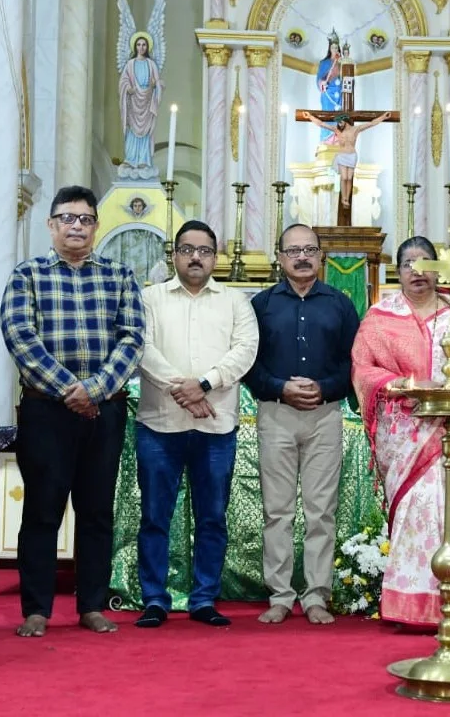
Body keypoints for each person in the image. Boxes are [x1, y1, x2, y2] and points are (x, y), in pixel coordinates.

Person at [1, 186, 144, 637]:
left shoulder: (120, 275)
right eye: (67, 218)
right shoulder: (27, 275)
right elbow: (20, 337)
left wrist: (97, 389)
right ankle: (37, 609)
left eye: (85, 219)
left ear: (96, 226)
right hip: (47, 411)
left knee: (97, 509)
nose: (76, 226)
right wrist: (70, 389)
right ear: (51, 224)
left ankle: (92, 605)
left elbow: (133, 337)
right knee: (43, 510)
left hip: (105, 412)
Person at [351, 236, 450, 626]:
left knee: (447, 506)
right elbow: (363, 369)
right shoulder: (380, 316)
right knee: (414, 510)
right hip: (402, 432)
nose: (417, 271)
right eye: (407, 264)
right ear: (397, 272)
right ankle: (410, 604)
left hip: (447, 429)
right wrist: (407, 385)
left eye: (425, 263)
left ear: (438, 270)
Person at [133, 220, 259, 629]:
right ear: (174, 255)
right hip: (159, 425)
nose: (195, 257)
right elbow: (142, 347)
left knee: (212, 517)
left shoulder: (235, 301)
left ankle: (204, 597)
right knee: (155, 516)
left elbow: (245, 350)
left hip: (216, 427)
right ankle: (155, 598)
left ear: (215, 257)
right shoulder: (150, 298)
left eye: (204, 250)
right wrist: (183, 390)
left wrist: (204, 384)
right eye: (187, 249)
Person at [243, 223, 360, 625]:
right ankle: (279, 594)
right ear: (279, 257)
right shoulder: (261, 306)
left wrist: (326, 388)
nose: (302, 257)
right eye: (293, 250)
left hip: (325, 416)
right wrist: (279, 388)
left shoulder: (341, 304)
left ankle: (315, 596)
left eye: (309, 249)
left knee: (320, 511)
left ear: (321, 255)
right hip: (275, 414)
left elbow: (355, 363)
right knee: (277, 511)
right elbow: (248, 364)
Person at [299, 109, 391, 209]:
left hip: (352, 155)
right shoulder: (337, 130)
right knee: (344, 178)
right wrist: (310, 117)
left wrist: (383, 117)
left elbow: (371, 123)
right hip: (342, 155)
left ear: (345, 120)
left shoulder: (356, 129)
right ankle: (343, 199)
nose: (339, 124)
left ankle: (347, 198)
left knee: (349, 178)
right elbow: (321, 124)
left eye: (340, 122)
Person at [119, 35, 163, 176]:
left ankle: (144, 160)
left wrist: (154, 85)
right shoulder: (130, 64)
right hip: (133, 102)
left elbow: (159, 82)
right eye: (139, 44)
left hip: (147, 102)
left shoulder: (151, 64)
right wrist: (128, 88)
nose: (141, 47)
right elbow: (123, 82)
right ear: (135, 46)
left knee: (145, 133)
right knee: (132, 131)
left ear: (147, 47)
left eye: (144, 45)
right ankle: (131, 159)